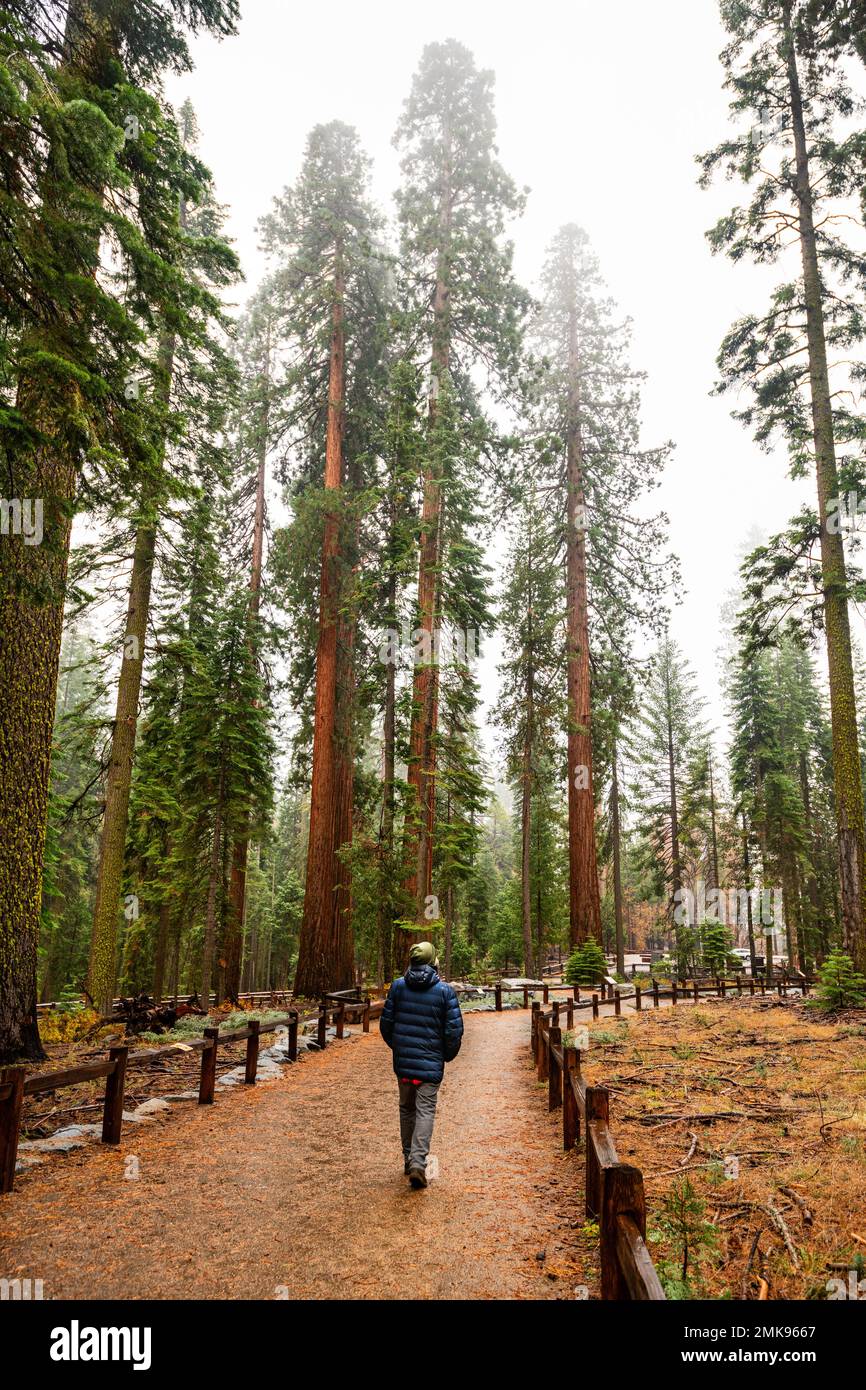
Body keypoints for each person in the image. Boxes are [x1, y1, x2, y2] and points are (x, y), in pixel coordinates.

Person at [379, 941, 464, 1189]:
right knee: (425, 1110)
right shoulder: (445, 991)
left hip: (404, 1064)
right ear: (433, 962)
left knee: (406, 1109)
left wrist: (399, 1048)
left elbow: (386, 1024)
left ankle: (408, 1159)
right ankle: (418, 1163)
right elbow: (454, 1031)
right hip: (430, 1065)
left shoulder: (397, 987)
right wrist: (444, 1056)